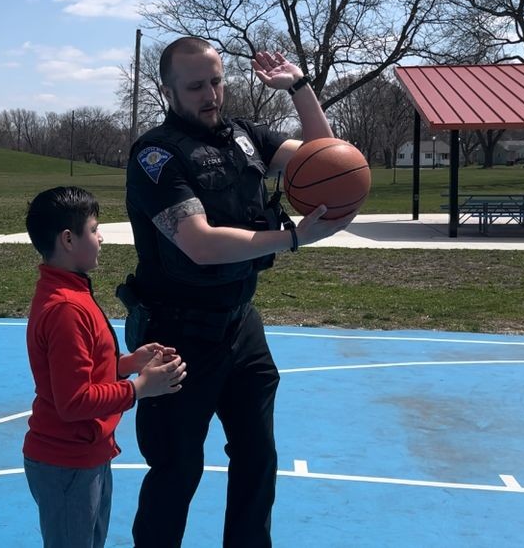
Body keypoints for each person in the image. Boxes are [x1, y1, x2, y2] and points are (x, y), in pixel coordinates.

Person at [120, 38, 355, 547]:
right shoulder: (155, 155)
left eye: (217, 81)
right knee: (176, 470)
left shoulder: (246, 137)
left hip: (240, 324)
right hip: (176, 335)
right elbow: (199, 244)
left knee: (257, 458)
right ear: (168, 89)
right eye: (196, 86)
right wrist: (293, 238)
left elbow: (327, 160)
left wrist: (299, 88)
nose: (211, 95)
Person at [23, 186, 187, 548]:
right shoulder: (66, 308)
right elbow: (73, 401)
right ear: (68, 239)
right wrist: (140, 388)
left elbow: (80, 371)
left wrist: (128, 363)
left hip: (83, 456)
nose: (101, 238)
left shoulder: (70, 291)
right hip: (68, 462)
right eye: (95, 229)